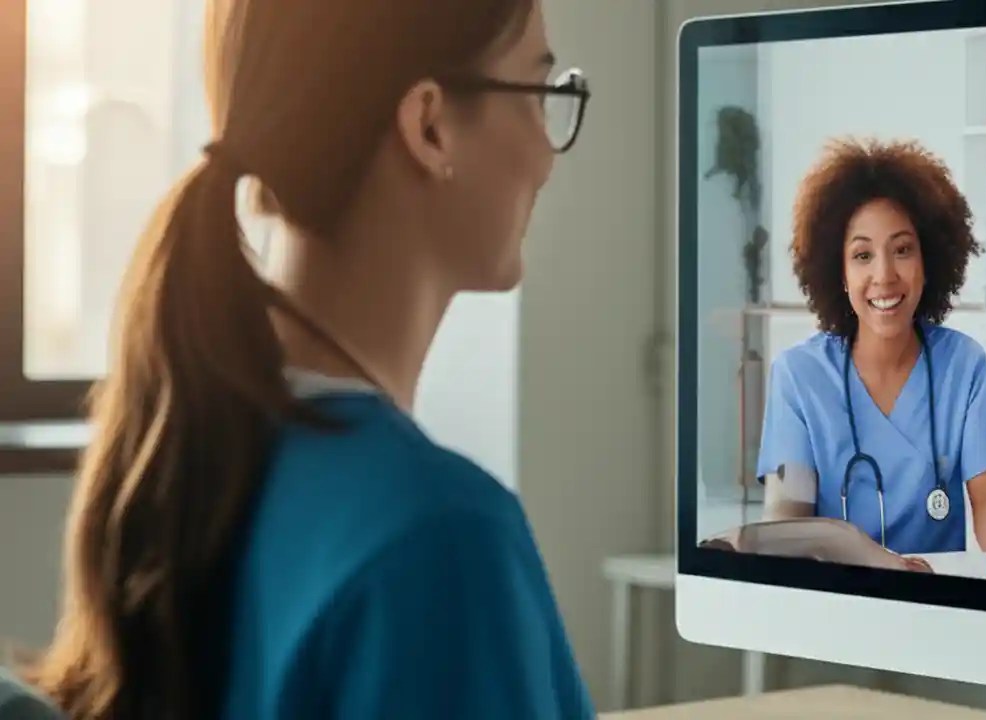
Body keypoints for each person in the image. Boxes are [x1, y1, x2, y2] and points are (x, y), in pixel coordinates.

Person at [25, 1, 594, 719]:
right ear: (429, 125)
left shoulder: (182, 448)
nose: (547, 155)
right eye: (541, 95)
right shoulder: (439, 537)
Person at [757, 137, 986, 587]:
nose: (884, 275)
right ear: (839, 273)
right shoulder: (800, 377)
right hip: (835, 603)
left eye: (902, 249)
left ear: (929, 261)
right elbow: (787, 518)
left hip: (931, 603)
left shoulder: (963, 364)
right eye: (862, 255)